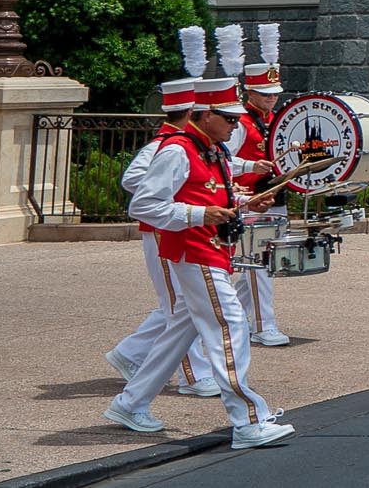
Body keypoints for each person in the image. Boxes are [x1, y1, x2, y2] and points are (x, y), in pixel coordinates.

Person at [105, 74, 293, 449]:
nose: (236, 125)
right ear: (205, 114)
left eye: (238, 119)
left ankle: (131, 402)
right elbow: (142, 205)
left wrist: (245, 203)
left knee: (183, 327)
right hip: (194, 249)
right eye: (229, 118)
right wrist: (198, 216)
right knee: (230, 324)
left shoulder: (213, 149)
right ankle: (248, 419)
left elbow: (213, 197)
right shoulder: (176, 149)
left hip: (210, 248)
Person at [105, 73, 221, 401]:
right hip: (164, 230)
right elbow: (134, 181)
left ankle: (131, 354)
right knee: (178, 304)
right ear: (190, 114)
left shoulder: (186, 145)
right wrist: (173, 200)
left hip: (178, 228)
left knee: (181, 303)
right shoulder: (165, 145)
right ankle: (192, 374)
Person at [233, 49, 292, 346]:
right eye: (265, 93)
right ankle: (262, 325)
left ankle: (235, 317)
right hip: (250, 199)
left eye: (274, 93)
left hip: (274, 196)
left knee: (260, 266)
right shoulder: (239, 123)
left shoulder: (277, 120)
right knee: (257, 265)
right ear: (250, 92)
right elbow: (222, 161)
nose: (272, 98)